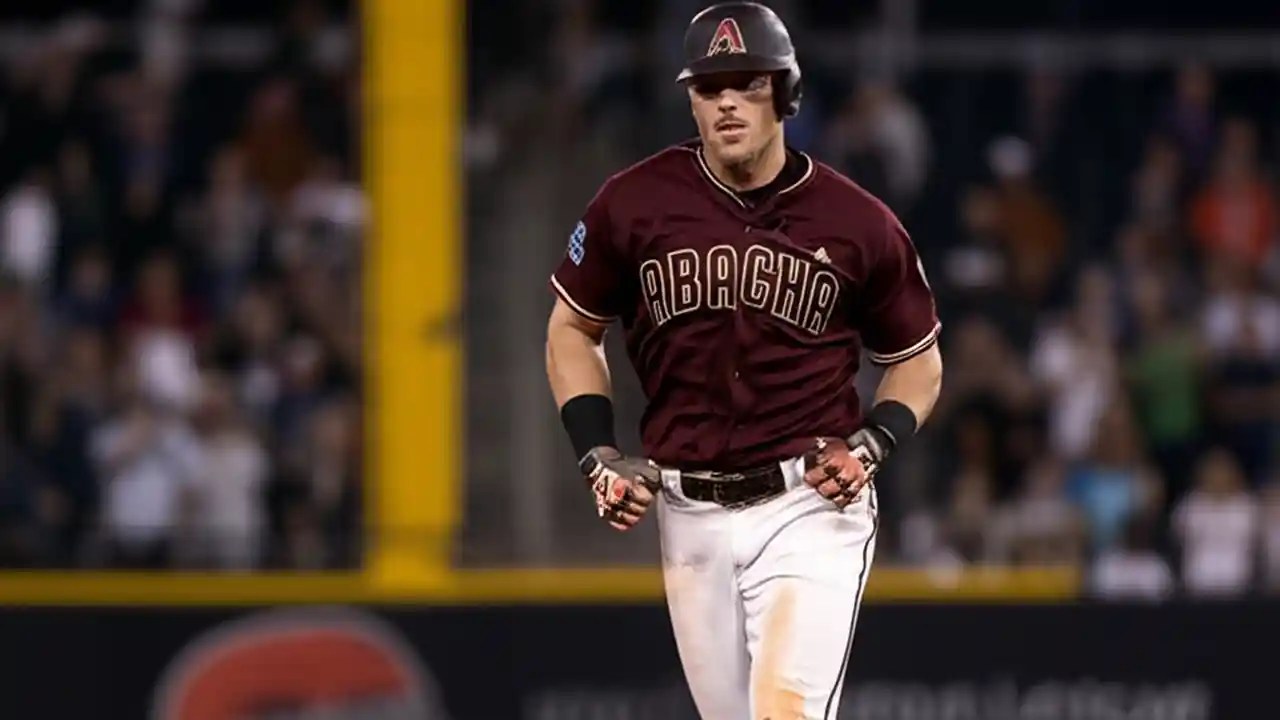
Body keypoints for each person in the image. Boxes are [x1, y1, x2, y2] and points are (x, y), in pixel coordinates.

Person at [543, 4, 943, 718]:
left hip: (809, 503)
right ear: (690, 100)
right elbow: (572, 329)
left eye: (748, 83)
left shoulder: (857, 222)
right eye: (708, 86)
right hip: (688, 511)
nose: (727, 101)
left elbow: (919, 360)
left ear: (785, 94)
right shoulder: (633, 204)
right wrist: (595, 454)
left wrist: (875, 444)